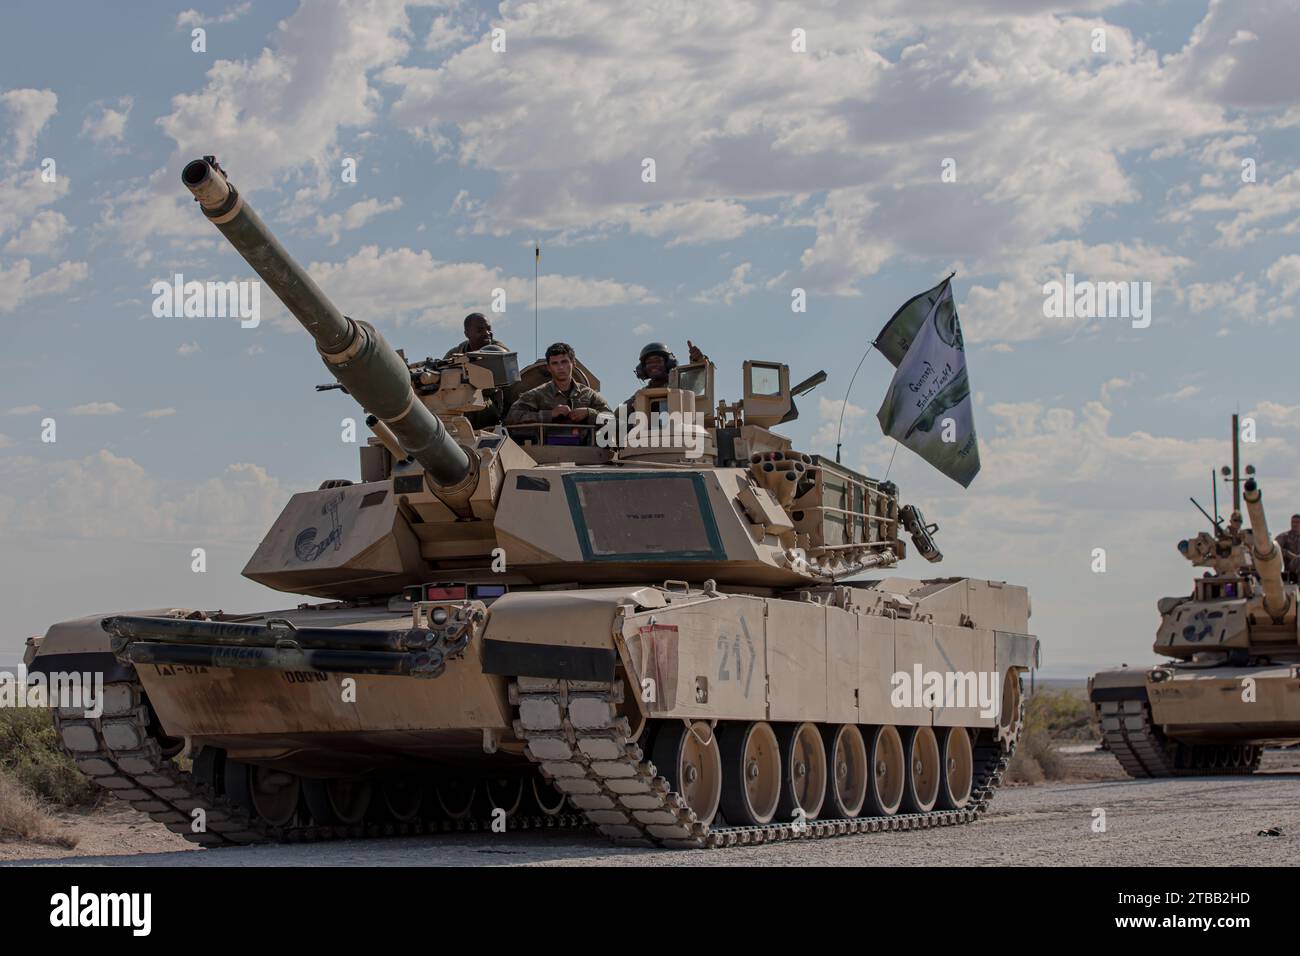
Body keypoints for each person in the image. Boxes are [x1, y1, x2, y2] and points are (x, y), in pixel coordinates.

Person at [504, 342, 611, 425]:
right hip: (546, 450)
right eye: (555, 363)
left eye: (564, 362)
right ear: (548, 367)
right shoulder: (537, 395)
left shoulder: (589, 395)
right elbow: (511, 418)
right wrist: (550, 414)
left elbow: (613, 420)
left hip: (586, 450)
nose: (560, 367)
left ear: (573, 364)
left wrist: (589, 413)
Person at [621, 340, 706, 410]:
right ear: (643, 369)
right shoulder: (642, 394)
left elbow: (695, 377)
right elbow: (621, 411)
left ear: (668, 364)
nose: (653, 365)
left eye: (658, 361)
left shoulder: (679, 384)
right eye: (649, 363)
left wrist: (697, 360)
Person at [1275, 514, 1300, 582]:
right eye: (1293, 522)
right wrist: (1289, 554)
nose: (1294, 524)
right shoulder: (1284, 537)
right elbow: (1275, 550)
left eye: (1297, 522)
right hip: (1289, 565)